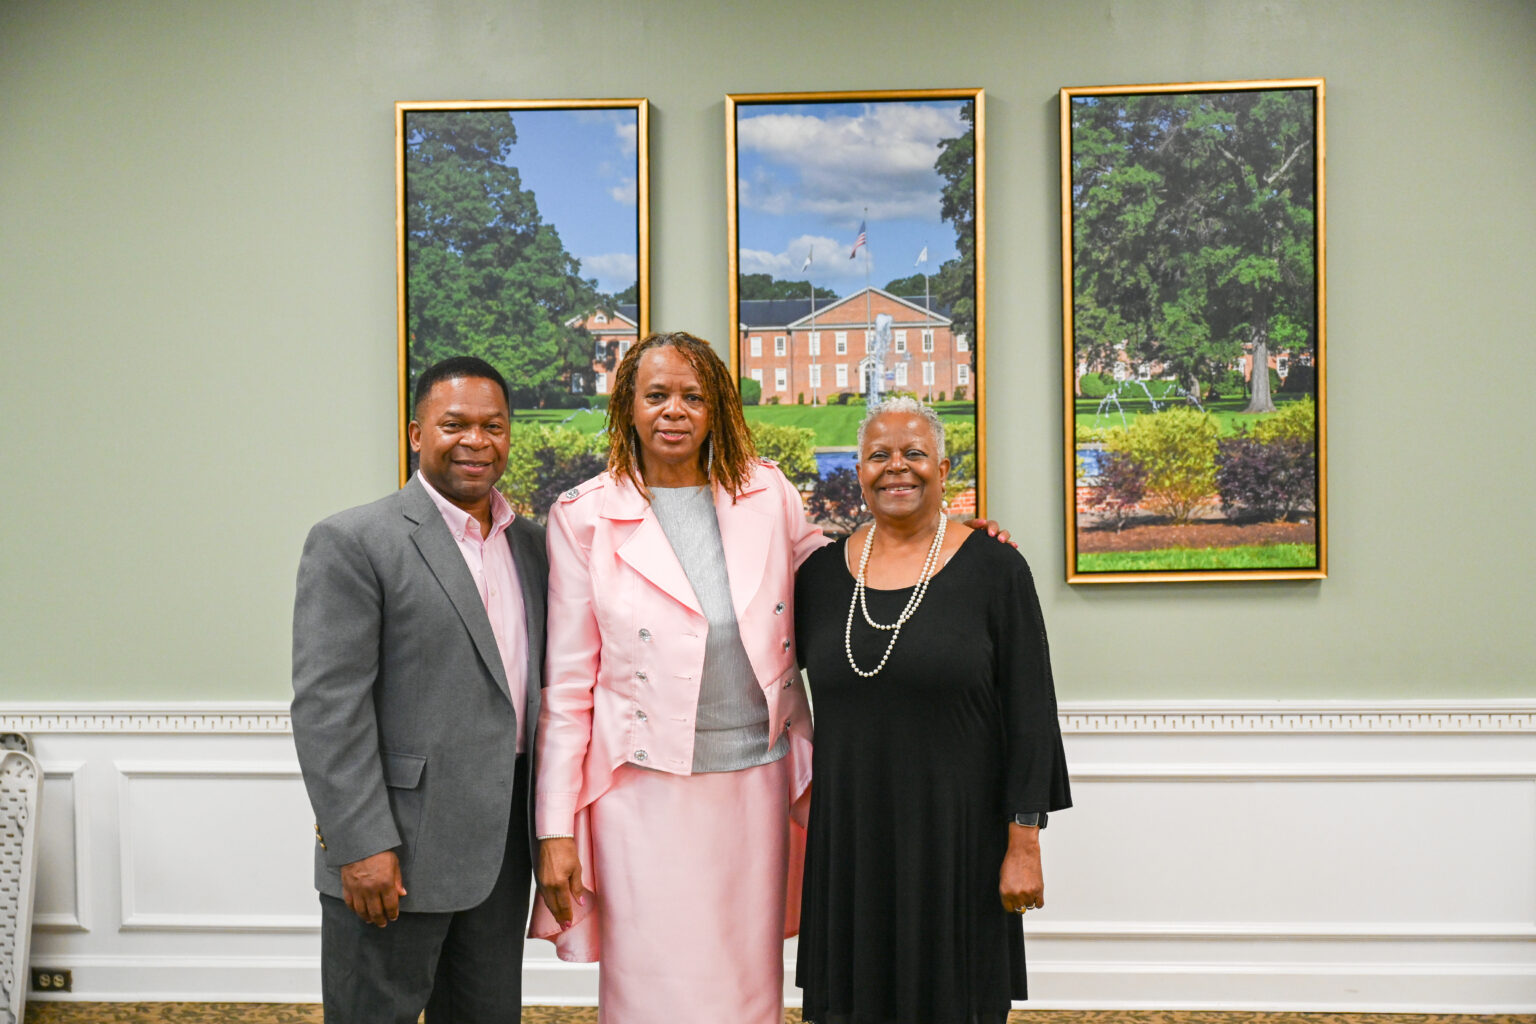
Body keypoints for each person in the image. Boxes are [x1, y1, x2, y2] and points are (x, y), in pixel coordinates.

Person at [530, 331, 823, 1024]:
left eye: (693, 396)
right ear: (627, 407)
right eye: (656, 394)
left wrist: (949, 545)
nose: (675, 410)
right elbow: (568, 689)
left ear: (718, 407)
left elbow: (843, 579)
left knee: (748, 986)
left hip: (758, 780)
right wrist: (553, 829)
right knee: (650, 990)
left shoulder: (769, 494)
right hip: (639, 793)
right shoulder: (584, 518)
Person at [793, 397, 1072, 1024]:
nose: (898, 467)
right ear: (858, 471)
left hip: (961, 846)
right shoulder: (816, 577)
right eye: (879, 455)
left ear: (944, 469)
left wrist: (1023, 841)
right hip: (851, 846)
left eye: (915, 453)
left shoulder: (995, 568)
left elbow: (1031, 712)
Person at [291, 356, 546, 1024]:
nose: (476, 440)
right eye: (454, 423)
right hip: (393, 852)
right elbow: (327, 708)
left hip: (500, 855)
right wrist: (360, 843)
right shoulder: (354, 541)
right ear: (415, 433)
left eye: (493, 425)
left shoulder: (536, 549)